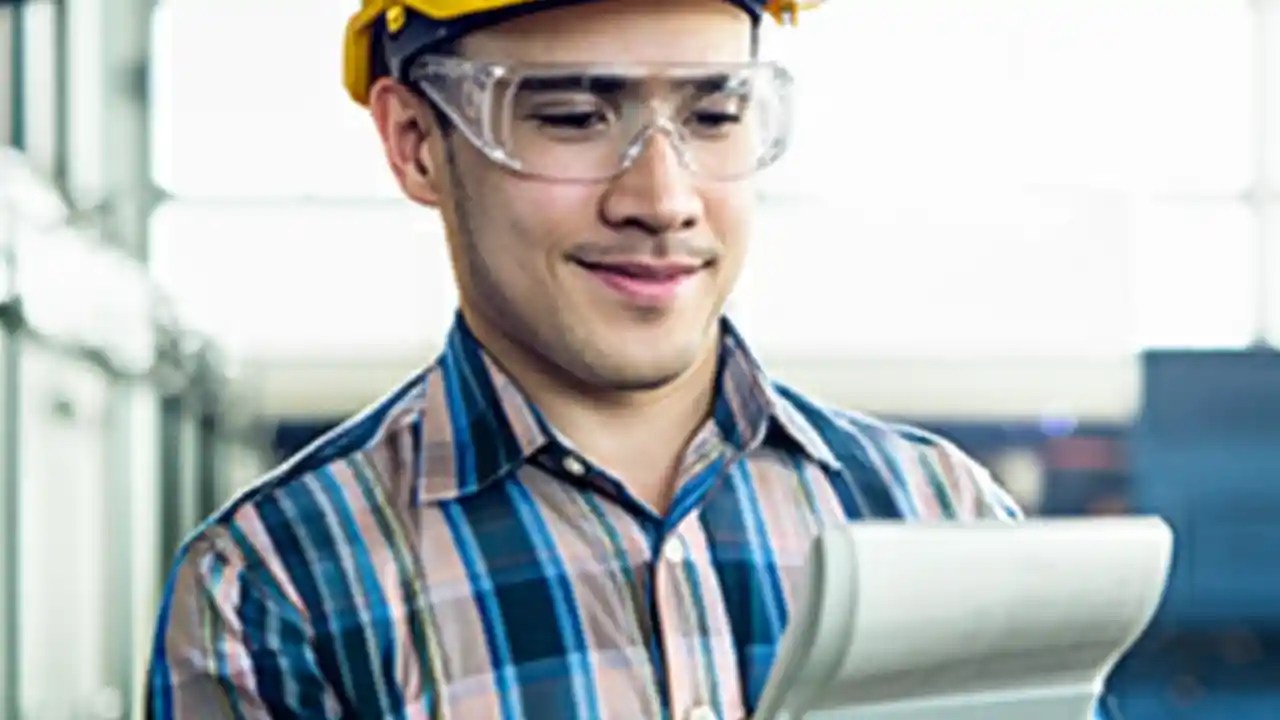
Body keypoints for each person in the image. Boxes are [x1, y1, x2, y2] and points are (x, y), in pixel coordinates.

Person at [146, 0, 1023, 717]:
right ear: (415, 142)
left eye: (714, 117)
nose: (663, 199)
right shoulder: (278, 586)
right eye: (573, 119)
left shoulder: (943, 518)